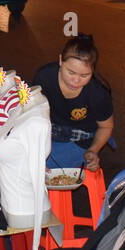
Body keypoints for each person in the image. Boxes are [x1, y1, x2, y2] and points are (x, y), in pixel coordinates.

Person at [31, 35, 115, 172]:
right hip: (51, 129)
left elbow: (106, 127)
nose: (76, 81)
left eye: (84, 76)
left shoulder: (98, 93)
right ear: (60, 61)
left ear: (93, 71)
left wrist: (93, 151)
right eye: (71, 72)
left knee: (42, 170)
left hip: (81, 137)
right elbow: (33, 111)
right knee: (13, 153)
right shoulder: (44, 77)